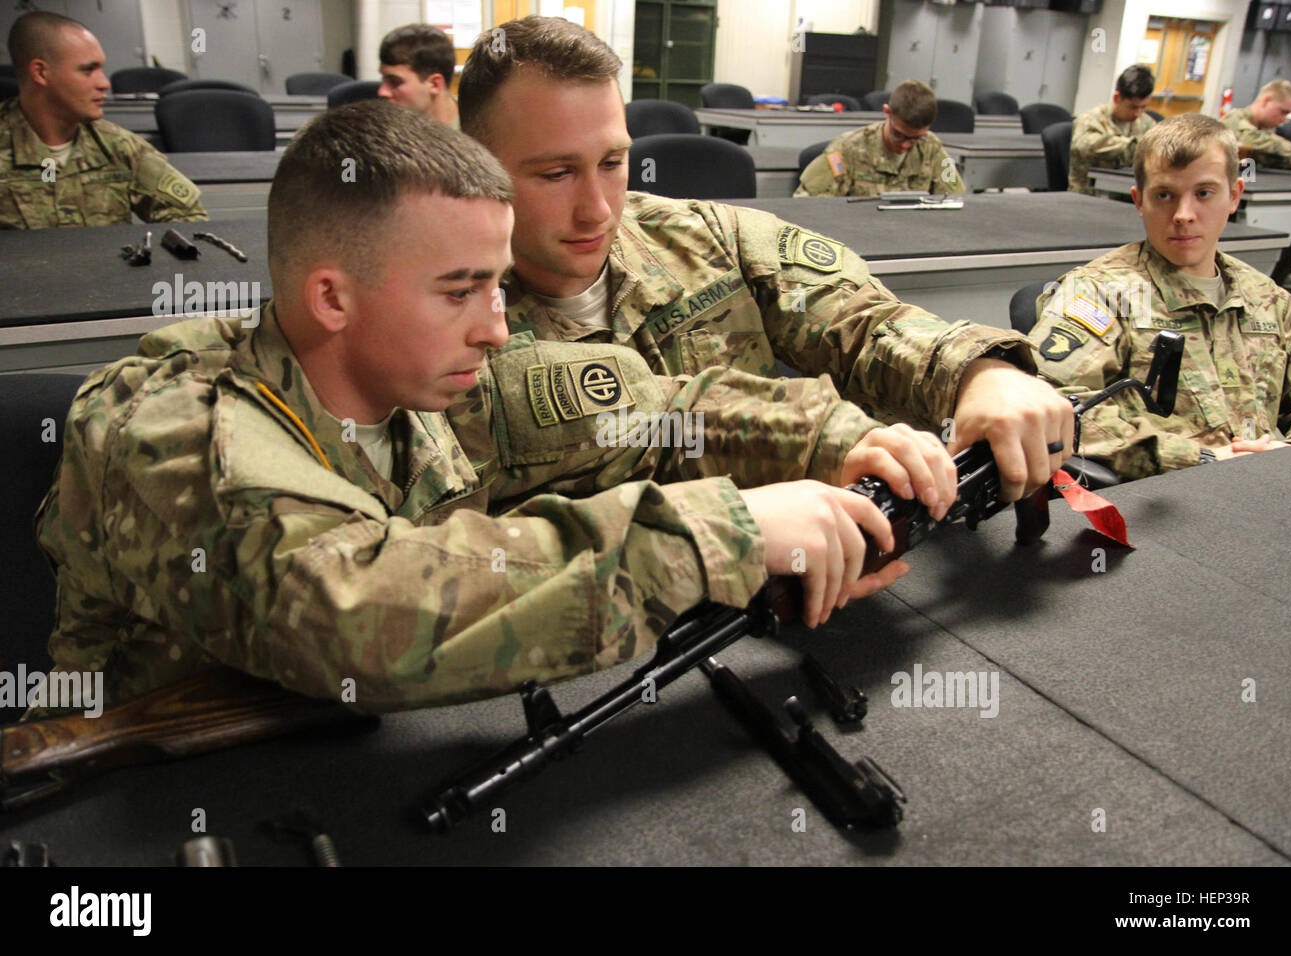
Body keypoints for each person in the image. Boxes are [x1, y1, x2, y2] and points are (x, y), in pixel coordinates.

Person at [35, 100, 965, 716]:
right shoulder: (169, 430)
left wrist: (841, 440)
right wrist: (717, 533)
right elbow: (353, 609)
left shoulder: (414, 377)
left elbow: (644, 407)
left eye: (497, 285)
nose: (495, 327)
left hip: (357, 758)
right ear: (332, 299)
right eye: (460, 290)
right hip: (144, 786)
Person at [459, 17, 1075, 502]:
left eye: (613, 163)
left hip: (802, 587)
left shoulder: (703, 239)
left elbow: (858, 321)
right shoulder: (443, 321)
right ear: (478, 165)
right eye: (557, 173)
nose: (597, 209)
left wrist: (978, 375)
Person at [1029, 114, 1291, 481]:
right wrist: (1199, 458)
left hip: (1262, 493)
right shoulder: (1101, 293)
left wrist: (1284, 456)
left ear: (1234, 195)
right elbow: (1055, 404)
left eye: (1204, 193)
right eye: (1165, 196)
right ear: (1139, 201)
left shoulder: (1269, 299)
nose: (1184, 215)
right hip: (1164, 501)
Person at [0, 10, 205, 229]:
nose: (104, 83)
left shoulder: (117, 146)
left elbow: (190, 220)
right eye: (88, 70)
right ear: (41, 73)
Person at [794, 80, 963, 198]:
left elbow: (955, 199)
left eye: (915, 139)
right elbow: (808, 204)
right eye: (899, 134)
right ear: (887, 112)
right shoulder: (847, 149)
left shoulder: (931, 148)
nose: (905, 145)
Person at [1069, 63, 1156, 196]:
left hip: (1127, 195)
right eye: (1133, 107)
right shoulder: (1091, 120)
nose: (1138, 113)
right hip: (1089, 196)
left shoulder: (1146, 122)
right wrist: (1133, 146)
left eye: (1143, 107)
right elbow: (1083, 147)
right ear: (1117, 98)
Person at [376, 23, 459, 129]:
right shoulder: (382, 131)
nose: (382, 91)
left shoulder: (476, 130)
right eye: (383, 80)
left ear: (435, 84)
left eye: (395, 82)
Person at [1221, 79, 1291, 171]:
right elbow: (1250, 138)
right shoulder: (1235, 119)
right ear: (1266, 101)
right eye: (1283, 112)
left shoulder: (1260, 129)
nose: (1283, 119)